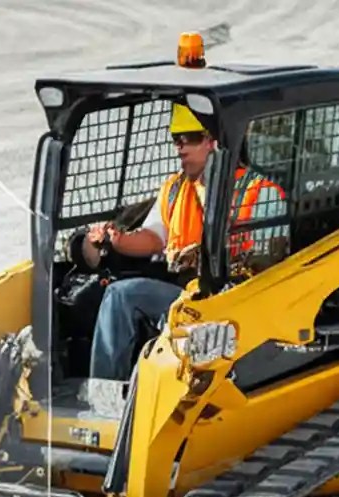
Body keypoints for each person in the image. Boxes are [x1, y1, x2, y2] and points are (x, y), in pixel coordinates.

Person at [84, 103, 287, 380]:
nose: (180, 147)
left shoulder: (260, 193)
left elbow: (269, 268)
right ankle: (106, 389)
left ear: (214, 141)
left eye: (189, 138)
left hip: (233, 306)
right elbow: (154, 237)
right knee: (119, 293)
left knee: (123, 295)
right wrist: (119, 240)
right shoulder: (176, 189)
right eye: (176, 139)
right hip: (187, 295)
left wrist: (210, 260)